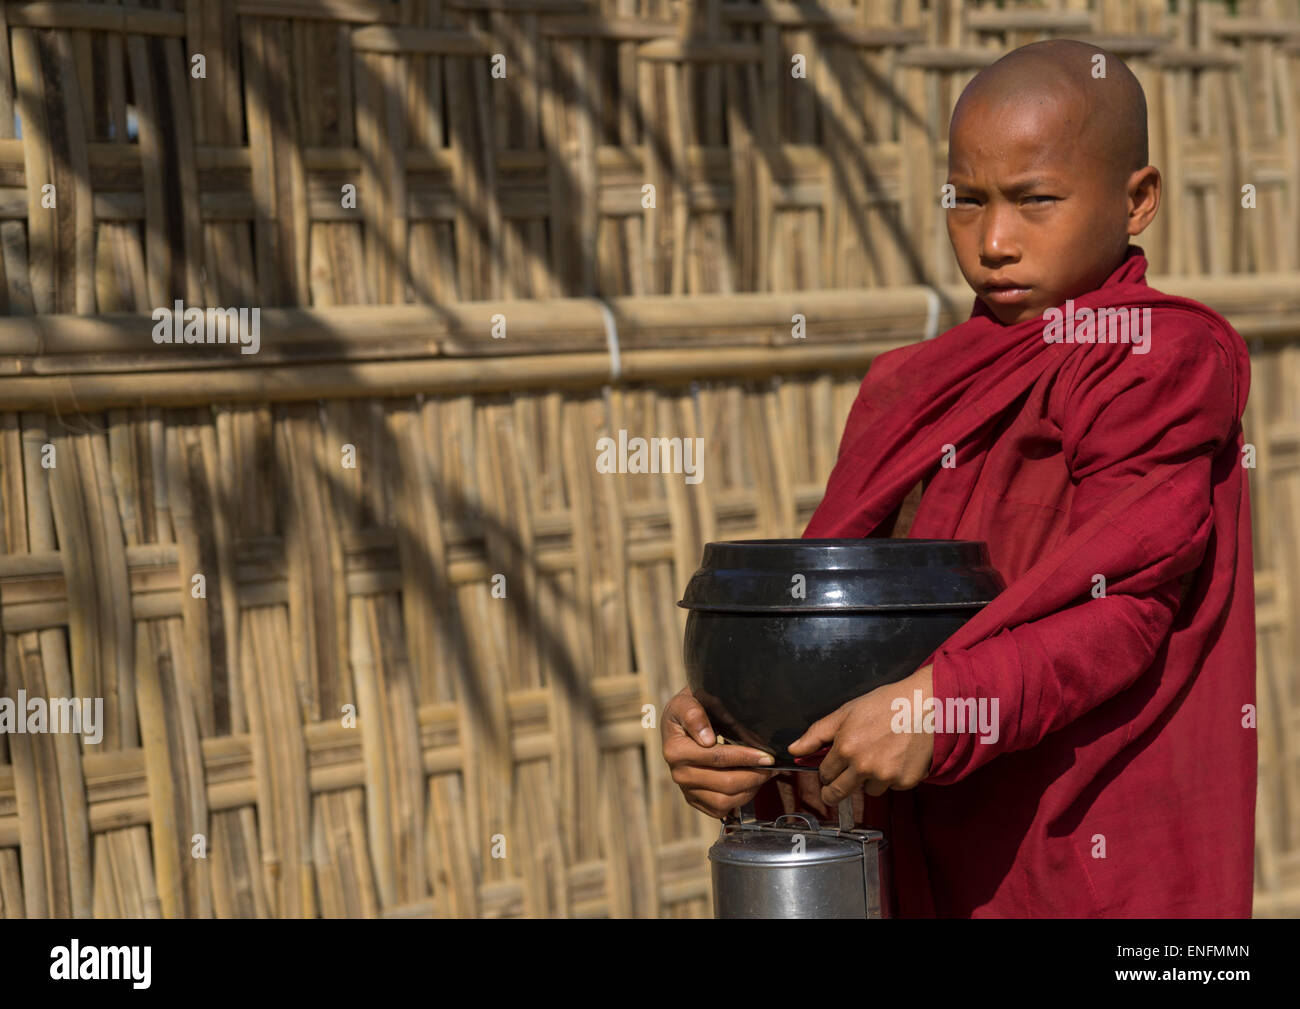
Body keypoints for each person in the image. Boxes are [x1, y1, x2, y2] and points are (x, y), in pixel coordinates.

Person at [661, 39, 1256, 917]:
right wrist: (732, 721)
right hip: (927, 860)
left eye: (1035, 201)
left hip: (1089, 856)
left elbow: (1122, 611)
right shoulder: (909, 386)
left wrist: (946, 709)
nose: (993, 242)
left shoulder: (1153, 359)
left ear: (1138, 200)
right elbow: (837, 612)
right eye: (965, 201)